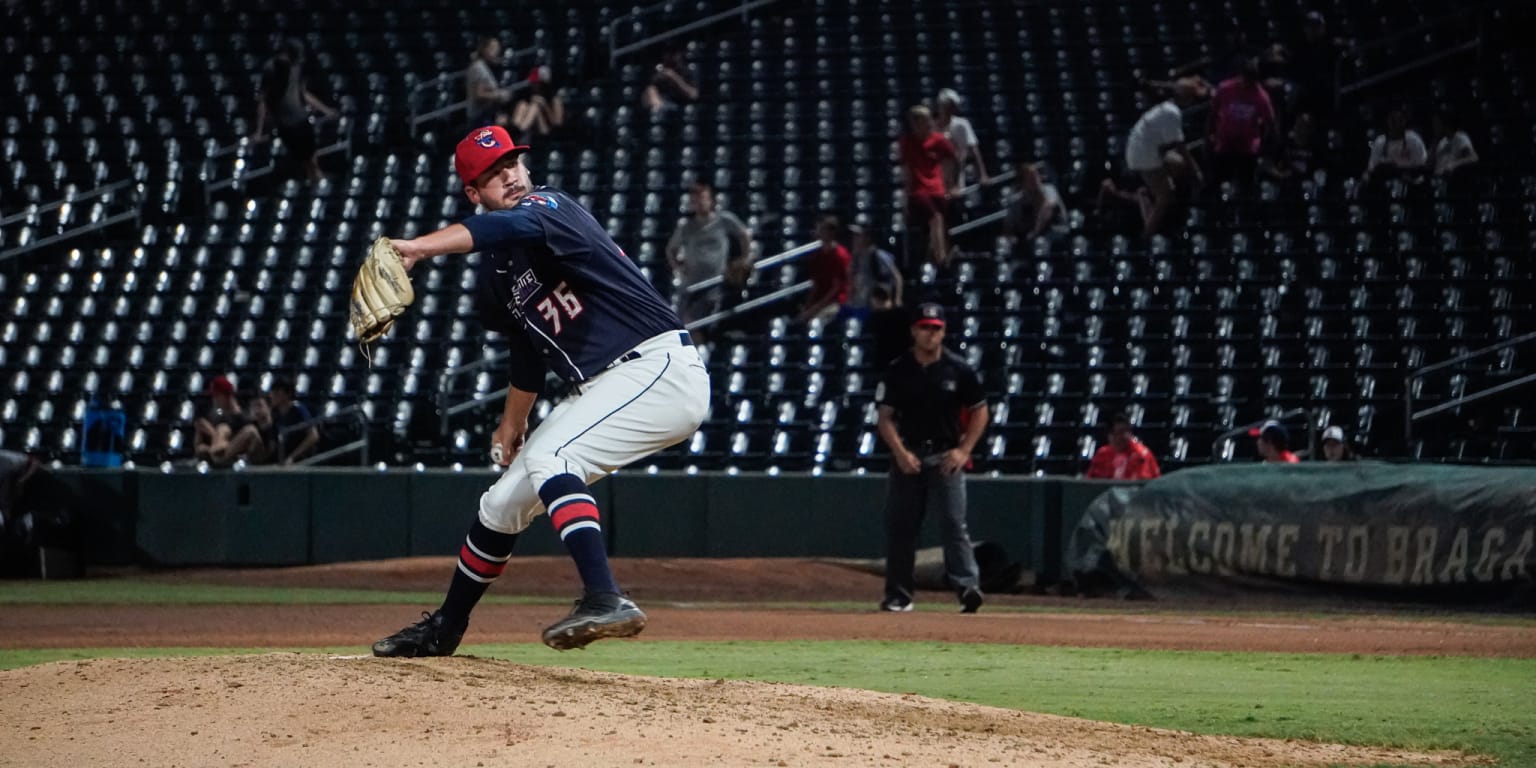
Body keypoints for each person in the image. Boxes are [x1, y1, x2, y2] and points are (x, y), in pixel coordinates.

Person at [372, 125, 711, 656]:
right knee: (501, 503)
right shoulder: (499, 275)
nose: (509, 175)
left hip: (657, 367)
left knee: (552, 457)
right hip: (607, 383)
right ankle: (446, 629)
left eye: (513, 164)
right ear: (472, 192)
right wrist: (512, 422)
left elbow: (492, 230)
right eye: (492, 172)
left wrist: (416, 247)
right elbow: (528, 348)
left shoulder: (551, 207)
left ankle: (605, 596)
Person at [874, 303, 988, 614]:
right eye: (925, 327)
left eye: (936, 328)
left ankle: (967, 588)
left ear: (944, 331)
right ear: (913, 331)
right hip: (909, 453)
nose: (930, 334)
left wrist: (964, 450)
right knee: (901, 525)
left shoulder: (958, 369)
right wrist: (900, 453)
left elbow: (980, 410)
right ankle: (898, 594)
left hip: (945, 453)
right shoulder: (899, 370)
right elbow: (885, 417)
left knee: (953, 523)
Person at [1100, 77, 1207, 237]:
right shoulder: (1172, 113)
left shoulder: (1168, 108)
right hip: (1144, 155)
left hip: (1145, 150)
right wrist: (1196, 172)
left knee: (1178, 164)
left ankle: (1147, 195)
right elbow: (1180, 147)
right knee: (1166, 195)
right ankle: (1148, 235)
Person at [250, 38, 338, 183]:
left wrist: (326, 111)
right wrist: (259, 131)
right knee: (305, 159)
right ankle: (315, 181)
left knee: (312, 157)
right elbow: (263, 100)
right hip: (286, 125)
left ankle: (318, 181)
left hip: (301, 118)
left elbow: (303, 93)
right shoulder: (271, 69)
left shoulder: (297, 67)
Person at [665, 181, 753, 327]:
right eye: (695, 201)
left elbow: (744, 234)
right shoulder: (686, 226)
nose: (699, 203)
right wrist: (679, 268)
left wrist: (744, 258)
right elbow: (671, 249)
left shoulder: (724, 220)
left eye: (702, 198)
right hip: (692, 283)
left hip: (715, 282)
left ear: (710, 200)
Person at [898, 105, 958, 268]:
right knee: (936, 218)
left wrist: (951, 184)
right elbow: (907, 171)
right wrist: (906, 197)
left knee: (941, 223)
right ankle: (941, 259)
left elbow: (951, 159)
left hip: (937, 189)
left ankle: (932, 257)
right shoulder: (907, 142)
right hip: (919, 191)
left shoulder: (939, 140)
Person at [1208, 58, 1276, 191]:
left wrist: (1265, 148)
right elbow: (1213, 113)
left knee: (1246, 187)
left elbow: (1271, 123)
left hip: (1247, 148)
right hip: (1225, 144)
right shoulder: (1225, 89)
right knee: (1217, 183)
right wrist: (1209, 136)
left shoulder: (1261, 97)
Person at [193, 376, 270, 467]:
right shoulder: (219, 418)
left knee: (249, 430)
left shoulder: (244, 415)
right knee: (216, 429)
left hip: (252, 457)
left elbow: (257, 438)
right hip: (228, 456)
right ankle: (217, 458)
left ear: (225, 396)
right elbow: (201, 448)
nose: (214, 400)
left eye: (217, 396)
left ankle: (218, 459)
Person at [796, 214, 852, 324]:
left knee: (817, 321)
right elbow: (816, 284)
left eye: (822, 229)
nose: (819, 232)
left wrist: (814, 309)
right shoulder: (818, 254)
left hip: (836, 302)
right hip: (819, 301)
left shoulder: (840, 255)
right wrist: (808, 306)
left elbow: (836, 288)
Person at [933, 88, 989, 190]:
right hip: (936, 180)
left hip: (956, 180)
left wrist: (982, 175)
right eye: (946, 106)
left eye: (951, 106)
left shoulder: (962, 125)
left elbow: (974, 151)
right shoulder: (932, 127)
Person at [1360, 106, 1427, 188]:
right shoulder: (1380, 141)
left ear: (1404, 121)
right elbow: (1372, 168)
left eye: (1398, 120)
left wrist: (1403, 172)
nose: (1394, 123)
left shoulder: (1413, 139)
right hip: (1385, 185)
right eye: (1392, 120)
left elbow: (1422, 165)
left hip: (1410, 185)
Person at [1084, 413, 1162, 480]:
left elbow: (1142, 484)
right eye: (1118, 433)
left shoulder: (1141, 455)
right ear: (1109, 435)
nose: (1123, 436)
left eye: (1125, 431)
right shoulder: (1102, 454)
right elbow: (1091, 482)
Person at [846, 223, 902, 313]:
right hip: (857, 305)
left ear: (867, 238)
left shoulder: (878, 255)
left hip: (873, 307)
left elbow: (897, 278)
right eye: (854, 236)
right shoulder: (855, 257)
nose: (855, 240)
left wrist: (897, 300)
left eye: (858, 236)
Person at [1003, 162, 1064, 242]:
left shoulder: (1050, 189)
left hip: (1052, 230)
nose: (1034, 180)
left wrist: (1035, 232)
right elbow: (1008, 225)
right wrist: (1010, 236)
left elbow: (1048, 209)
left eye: (1035, 176)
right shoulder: (1017, 200)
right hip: (1025, 236)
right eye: (1029, 177)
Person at [465, 36, 514, 129]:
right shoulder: (478, 68)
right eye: (492, 48)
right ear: (484, 49)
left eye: (497, 49)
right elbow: (479, 94)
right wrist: (500, 95)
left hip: (487, 116)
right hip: (479, 119)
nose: (495, 52)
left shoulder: (486, 67)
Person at [268, 377, 319, 465]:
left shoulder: (298, 410)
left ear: (287, 394)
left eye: (277, 393)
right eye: (272, 393)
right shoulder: (274, 413)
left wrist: (292, 457)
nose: (272, 396)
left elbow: (313, 436)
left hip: (300, 458)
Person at [510, 65, 565, 140]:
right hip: (532, 129)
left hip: (547, 131)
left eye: (536, 83)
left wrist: (544, 105)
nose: (532, 85)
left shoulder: (554, 99)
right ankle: (514, 131)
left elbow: (557, 124)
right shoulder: (531, 95)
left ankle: (519, 133)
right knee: (522, 104)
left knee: (535, 107)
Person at [642, 47, 699, 113]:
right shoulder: (661, 69)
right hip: (663, 104)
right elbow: (649, 92)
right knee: (650, 90)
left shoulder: (688, 70)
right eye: (668, 54)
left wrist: (674, 78)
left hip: (681, 106)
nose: (670, 57)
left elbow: (693, 94)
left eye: (673, 54)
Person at [1430, 111, 1479, 179]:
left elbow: (1473, 158)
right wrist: (1435, 142)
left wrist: (1454, 164)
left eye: (1437, 123)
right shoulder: (1442, 142)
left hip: (1454, 181)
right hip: (1438, 180)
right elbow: (1429, 164)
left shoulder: (1460, 137)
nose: (1434, 126)